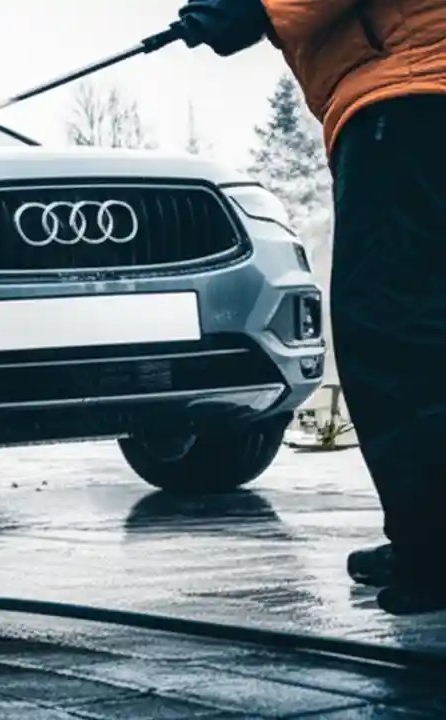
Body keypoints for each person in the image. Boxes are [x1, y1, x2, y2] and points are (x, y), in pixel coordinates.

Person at [170, 0, 446, 615]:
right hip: (418, 86)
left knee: (392, 329)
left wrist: (255, 8)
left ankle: (434, 550)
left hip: (412, 93)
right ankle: (427, 538)